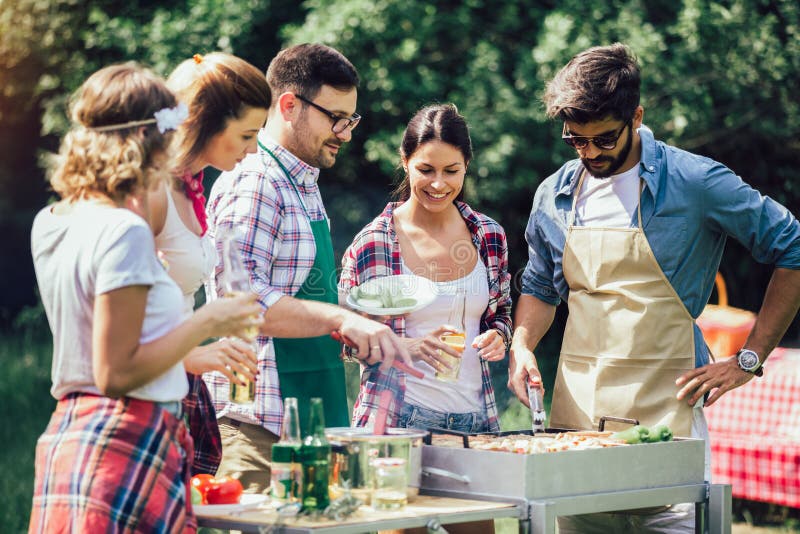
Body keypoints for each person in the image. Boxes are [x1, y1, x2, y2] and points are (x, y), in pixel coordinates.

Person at [509, 43, 800, 532]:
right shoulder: (554, 193)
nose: (589, 153)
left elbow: (792, 247)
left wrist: (749, 359)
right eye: (576, 140)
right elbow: (540, 287)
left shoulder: (696, 182)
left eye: (604, 139)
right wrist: (522, 346)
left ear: (636, 117)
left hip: (669, 419)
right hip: (578, 421)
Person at [28, 64, 261, 533]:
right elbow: (115, 373)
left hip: (72, 433)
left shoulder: (51, 221)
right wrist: (208, 320)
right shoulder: (124, 231)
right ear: (147, 138)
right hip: (127, 439)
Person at [204, 43, 411, 493]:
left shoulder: (302, 183)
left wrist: (363, 326)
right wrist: (340, 318)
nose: (345, 134)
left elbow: (303, 296)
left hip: (310, 425)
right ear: (289, 105)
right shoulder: (255, 181)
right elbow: (240, 305)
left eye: (351, 120)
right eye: (335, 118)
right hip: (261, 431)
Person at [339, 103, 512, 436]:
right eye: (426, 170)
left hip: (477, 421)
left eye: (451, 171)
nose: (438, 183)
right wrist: (410, 347)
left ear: (466, 166)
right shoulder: (373, 242)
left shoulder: (489, 235)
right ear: (405, 162)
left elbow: (501, 313)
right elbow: (348, 339)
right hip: (398, 420)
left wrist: (499, 336)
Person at [147, 51, 270, 476]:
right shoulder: (152, 192)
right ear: (205, 123)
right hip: (147, 393)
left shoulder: (191, 188)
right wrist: (195, 354)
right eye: (247, 135)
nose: (253, 150)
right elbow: (120, 333)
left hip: (178, 390)